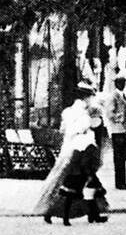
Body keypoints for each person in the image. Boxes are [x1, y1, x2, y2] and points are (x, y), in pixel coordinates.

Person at [37, 82, 108, 225]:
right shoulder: (81, 113)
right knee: (77, 183)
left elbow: (64, 129)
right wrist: (89, 123)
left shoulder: (71, 111)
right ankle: (58, 212)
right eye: (89, 97)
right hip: (79, 151)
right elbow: (76, 129)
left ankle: (92, 213)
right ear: (85, 98)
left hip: (76, 149)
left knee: (85, 183)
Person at [103, 76, 126, 190]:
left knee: (122, 157)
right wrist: (119, 118)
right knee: (119, 157)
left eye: (124, 82)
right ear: (116, 84)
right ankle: (120, 182)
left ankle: (122, 181)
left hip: (122, 130)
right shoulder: (113, 96)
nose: (122, 85)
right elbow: (109, 113)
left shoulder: (122, 95)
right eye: (120, 83)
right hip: (117, 130)